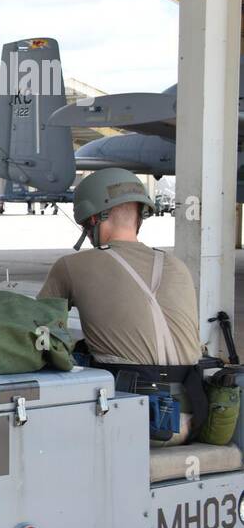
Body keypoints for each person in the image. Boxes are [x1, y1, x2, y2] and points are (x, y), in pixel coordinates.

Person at [40, 168, 201, 442]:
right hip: (196, 416)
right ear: (140, 216)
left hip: (140, 419)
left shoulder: (72, 266)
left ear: (93, 218)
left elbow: (39, 333)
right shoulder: (176, 266)